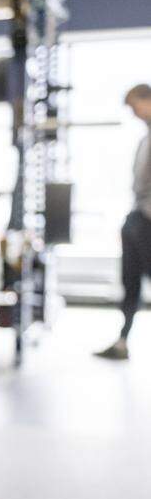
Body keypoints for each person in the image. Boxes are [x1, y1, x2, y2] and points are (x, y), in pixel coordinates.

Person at [97, 84, 151, 360]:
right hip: (138, 217)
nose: (134, 113)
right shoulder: (145, 138)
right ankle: (122, 342)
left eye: (134, 106)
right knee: (130, 282)